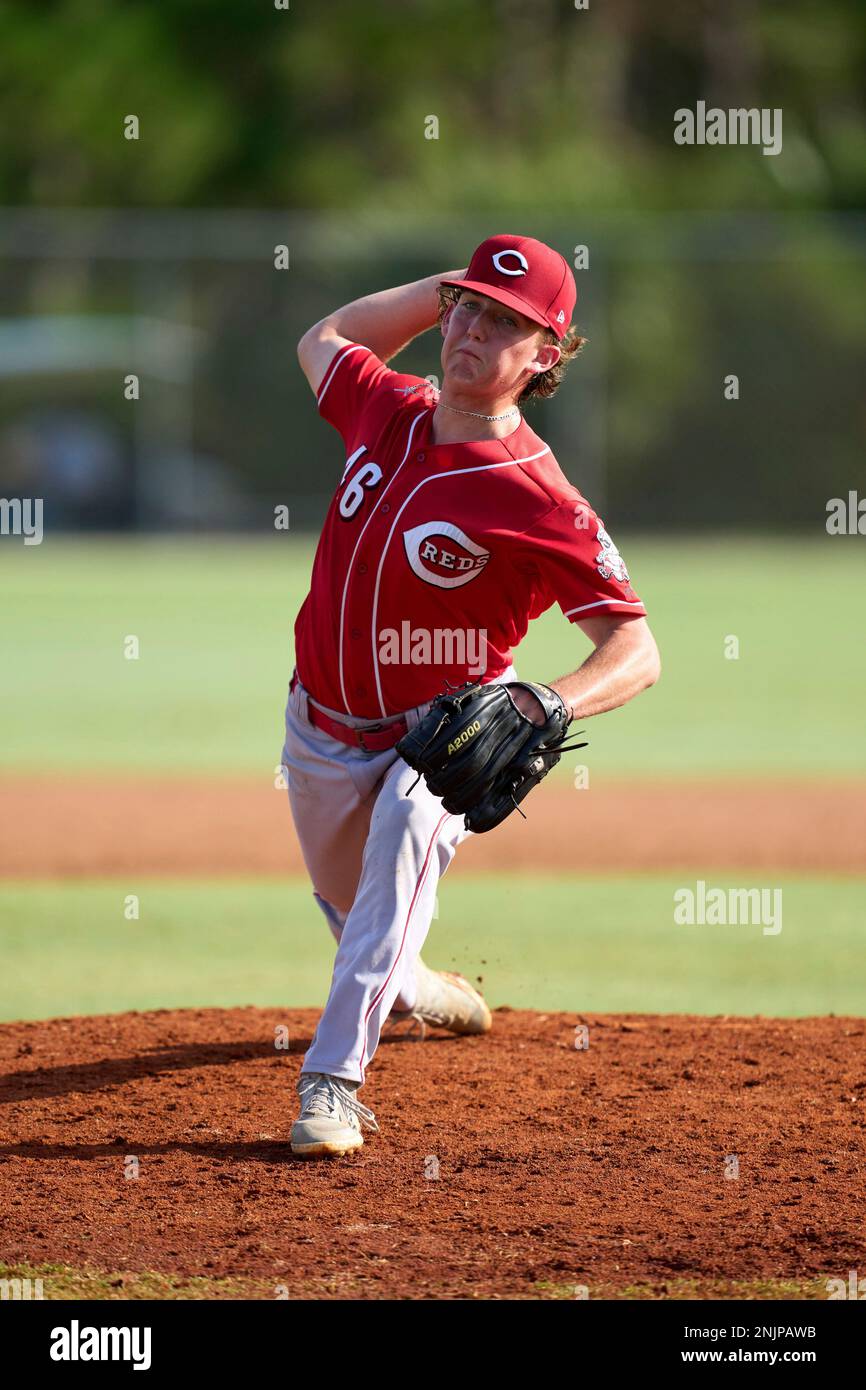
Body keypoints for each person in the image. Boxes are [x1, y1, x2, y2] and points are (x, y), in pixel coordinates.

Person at [284, 234, 660, 1157]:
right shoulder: (390, 410)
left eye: (507, 325)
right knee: (360, 909)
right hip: (319, 732)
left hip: (440, 738)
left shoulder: (541, 499)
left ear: (546, 358)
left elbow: (635, 646)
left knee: (408, 833)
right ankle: (405, 981)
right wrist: (439, 286)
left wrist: (547, 703)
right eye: (469, 310)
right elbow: (323, 337)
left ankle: (331, 1084)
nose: (474, 332)